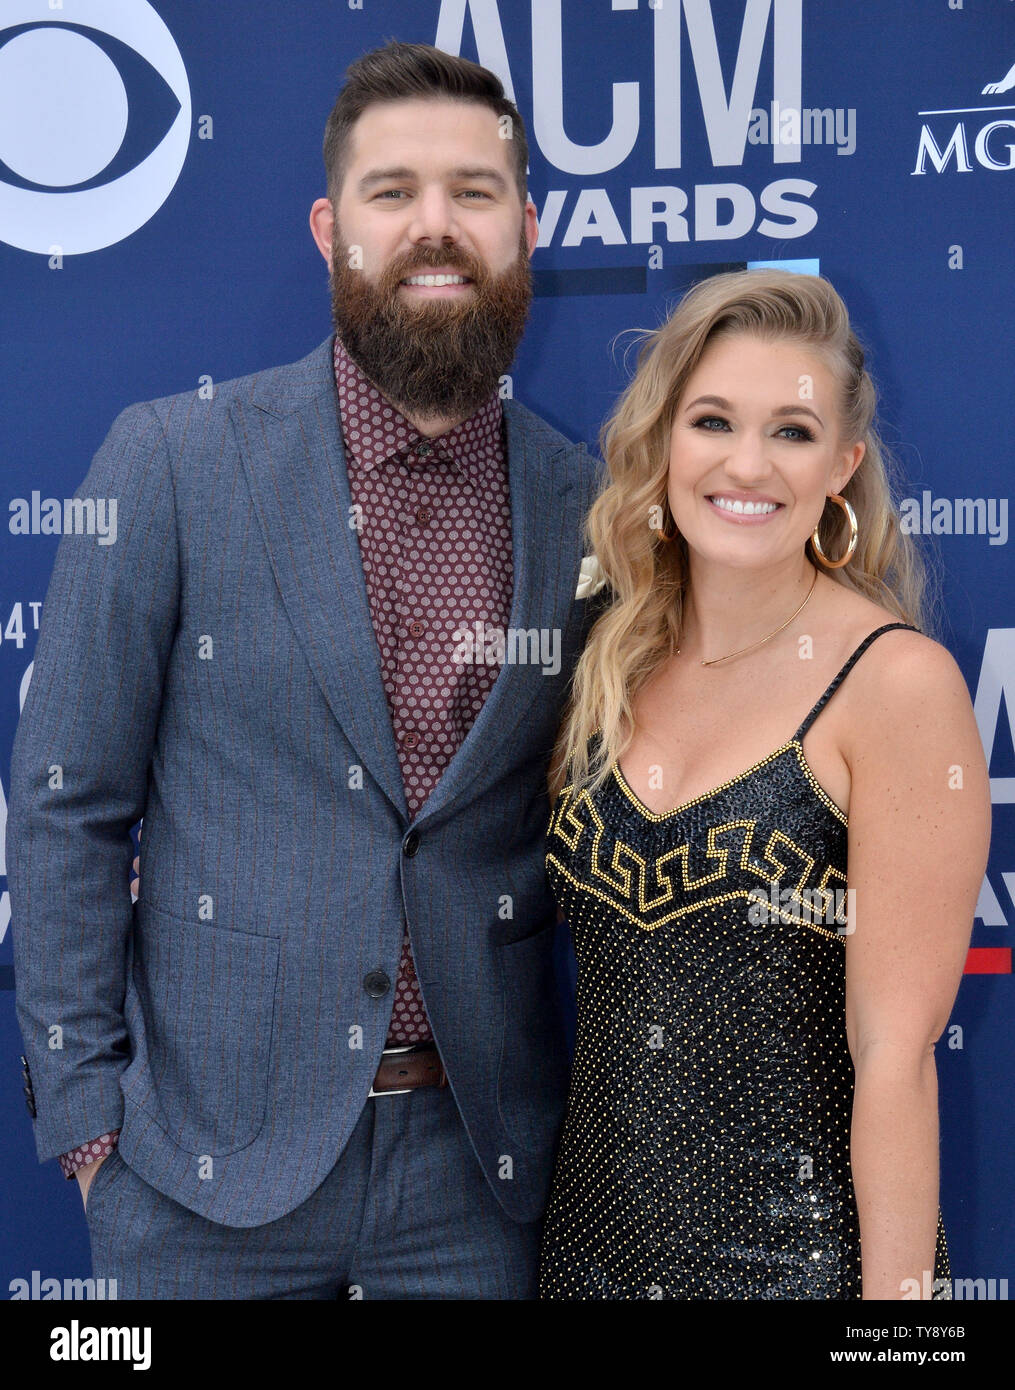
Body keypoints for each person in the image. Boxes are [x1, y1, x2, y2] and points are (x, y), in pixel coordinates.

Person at [9, 41, 607, 1299]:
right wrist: (86, 1129)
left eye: (473, 191)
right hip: (197, 1186)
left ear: (527, 227)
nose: (433, 227)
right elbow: (67, 800)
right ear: (332, 227)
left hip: (477, 1180)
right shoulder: (172, 461)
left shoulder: (589, 506)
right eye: (393, 193)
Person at [538, 269, 991, 1300]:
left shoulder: (894, 684)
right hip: (584, 1260)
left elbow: (895, 1059)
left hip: (800, 1272)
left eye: (790, 430)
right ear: (663, 443)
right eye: (711, 420)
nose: (747, 463)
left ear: (843, 462)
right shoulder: (609, 659)